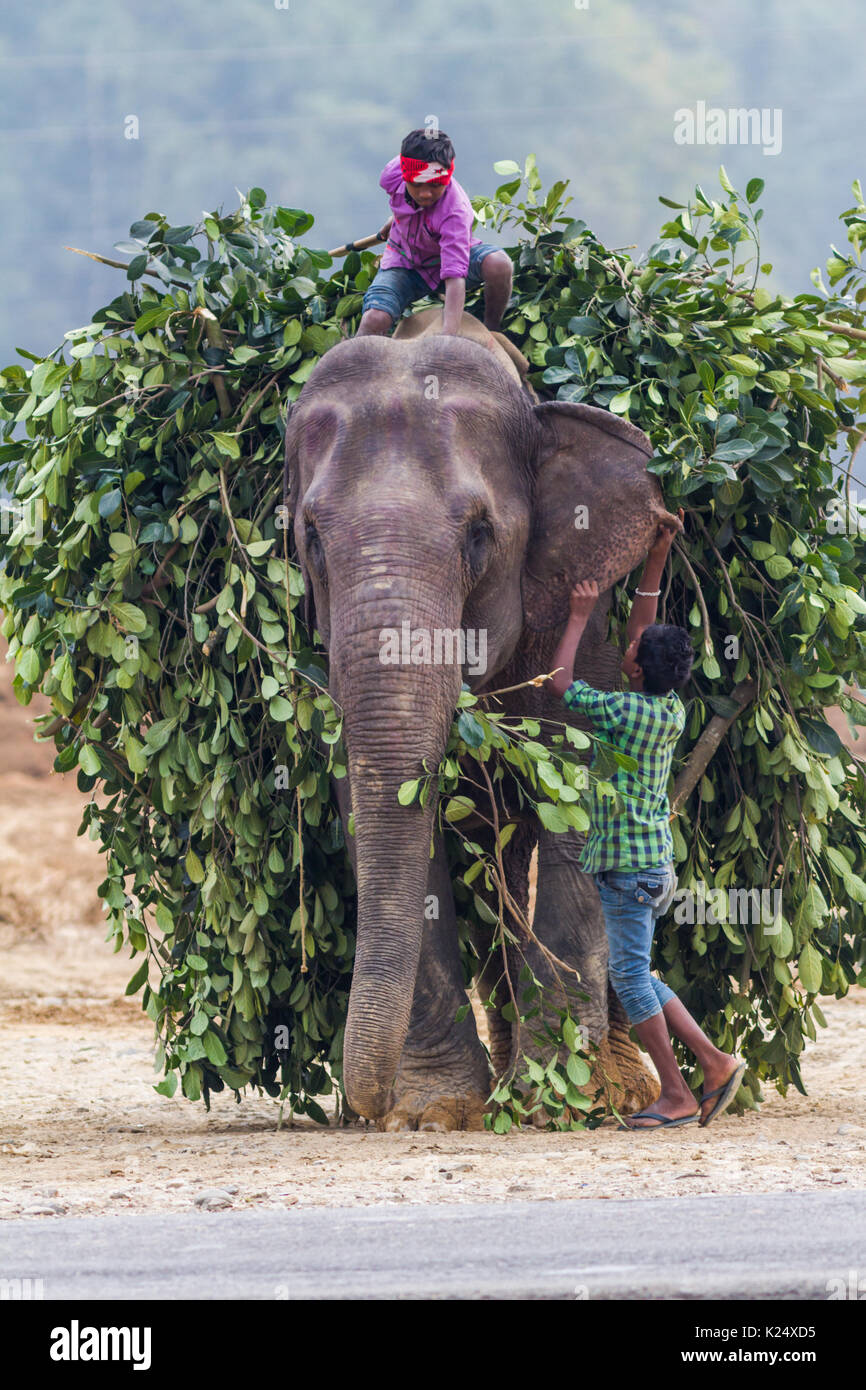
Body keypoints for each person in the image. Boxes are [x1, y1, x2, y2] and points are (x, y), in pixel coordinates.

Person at [548, 512, 746, 1129]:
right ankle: (714, 1065)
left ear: (633, 671)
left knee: (630, 978)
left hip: (629, 872)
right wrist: (657, 555)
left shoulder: (621, 713)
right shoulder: (665, 709)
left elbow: (559, 685)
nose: (627, 645)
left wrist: (579, 616)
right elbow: (644, 629)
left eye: (631, 650)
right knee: (641, 973)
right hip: (651, 868)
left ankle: (680, 1093)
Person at [356, 127, 513, 338]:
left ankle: (492, 325)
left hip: (447, 263)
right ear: (404, 176)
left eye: (436, 185)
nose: (425, 193)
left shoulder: (456, 211)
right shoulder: (392, 176)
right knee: (374, 319)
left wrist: (448, 337)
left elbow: (455, 275)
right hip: (404, 263)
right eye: (416, 185)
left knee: (499, 264)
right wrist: (398, 218)